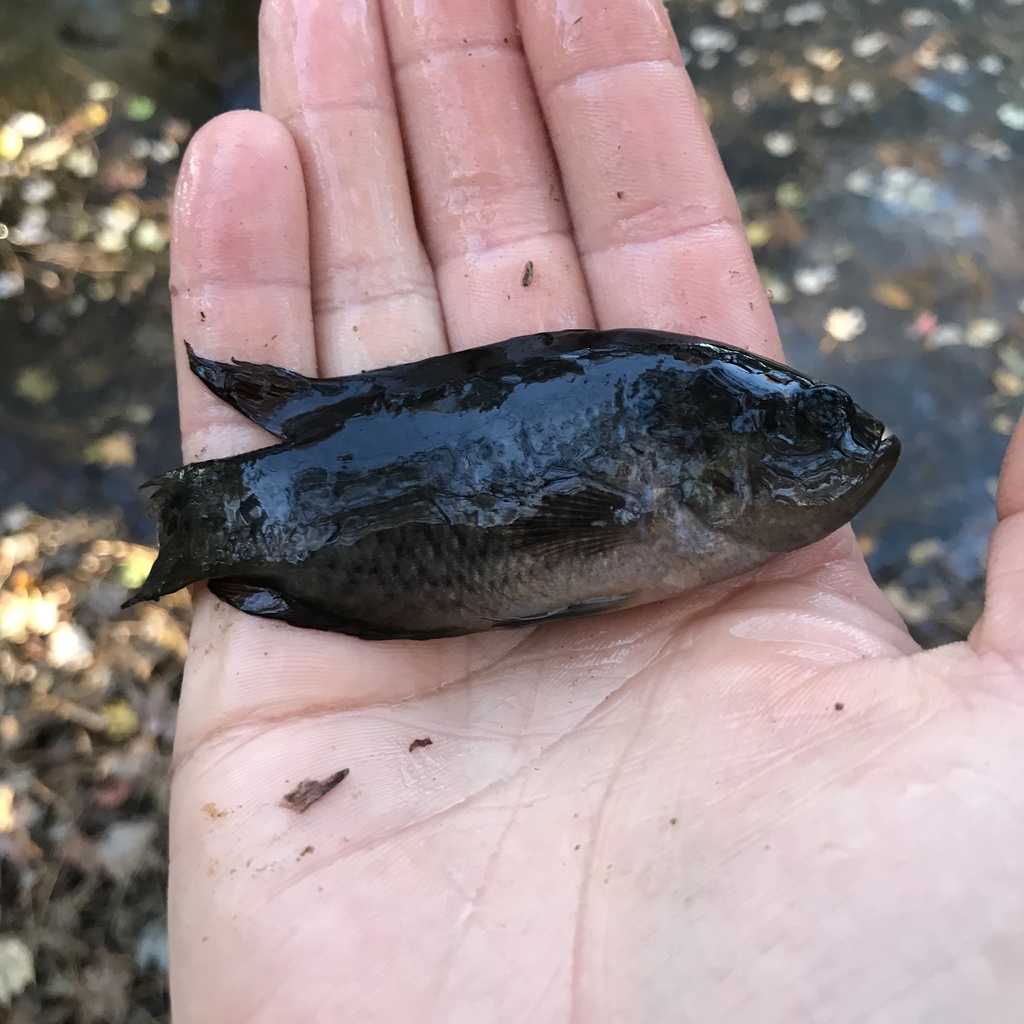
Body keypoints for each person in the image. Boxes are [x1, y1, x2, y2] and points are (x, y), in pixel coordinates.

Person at [166, 1, 1024, 1020]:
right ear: (709, 469)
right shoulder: (678, 465)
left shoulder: (685, 448)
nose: (848, 457)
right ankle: (204, 529)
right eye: (792, 449)